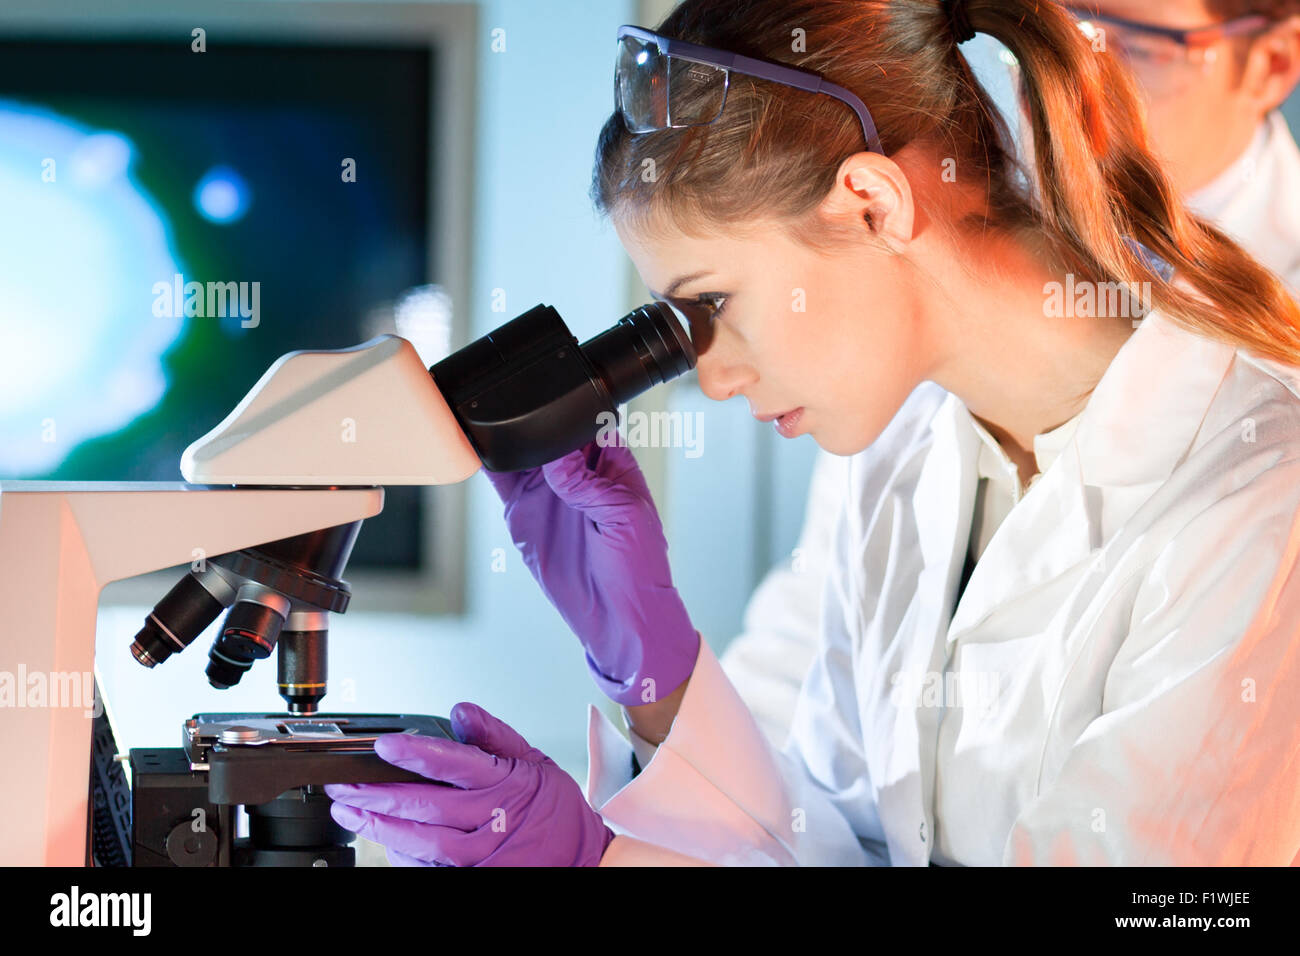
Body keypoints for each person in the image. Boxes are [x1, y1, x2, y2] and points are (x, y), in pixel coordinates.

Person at [326, 0, 1300, 865]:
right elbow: (837, 845)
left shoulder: (1259, 498)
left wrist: (607, 862)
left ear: (872, 202)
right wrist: (654, 675)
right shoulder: (906, 459)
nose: (710, 376)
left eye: (711, 303)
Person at [725, 0, 1300, 750]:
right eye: (1054, 28)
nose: (1067, 81)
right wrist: (659, 737)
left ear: (1272, 64)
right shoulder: (933, 252)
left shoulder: (1269, 395)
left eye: (1136, 47)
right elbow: (815, 633)